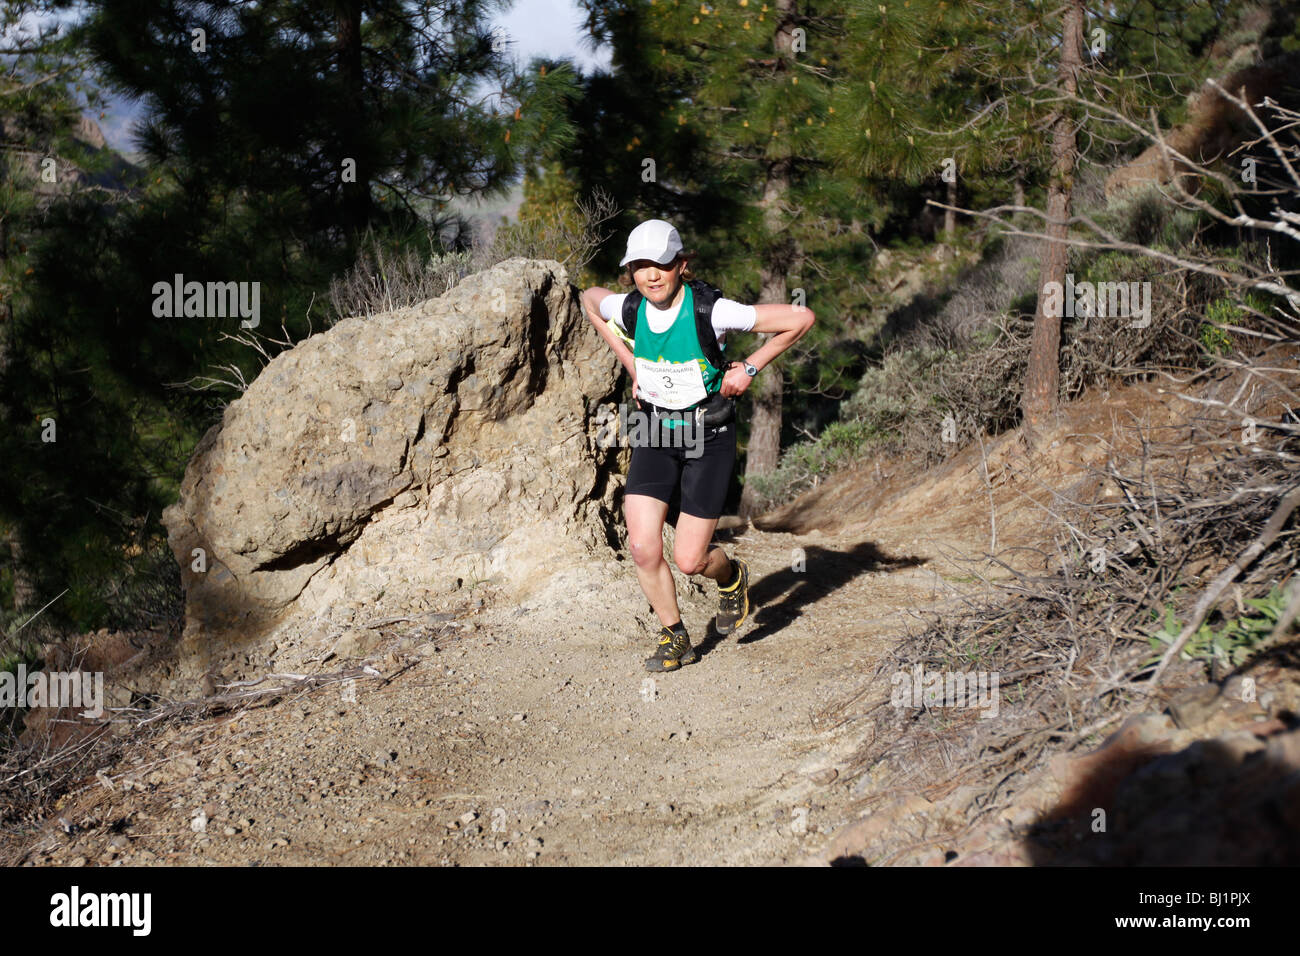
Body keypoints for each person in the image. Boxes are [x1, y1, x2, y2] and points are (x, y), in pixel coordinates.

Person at [581, 219, 815, 672]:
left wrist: (749, 366)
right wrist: (632, 365)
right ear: (630, 270)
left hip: (708, 435)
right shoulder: (627, 308)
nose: (650, 275)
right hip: (654, 430)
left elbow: (799, 318)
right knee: (643, 547)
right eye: (640, 266)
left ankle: (731, 577)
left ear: (682, 266)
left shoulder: (714, 310)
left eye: (662, 265)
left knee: (689, 560)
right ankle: (675, 636)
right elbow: (590, 300)